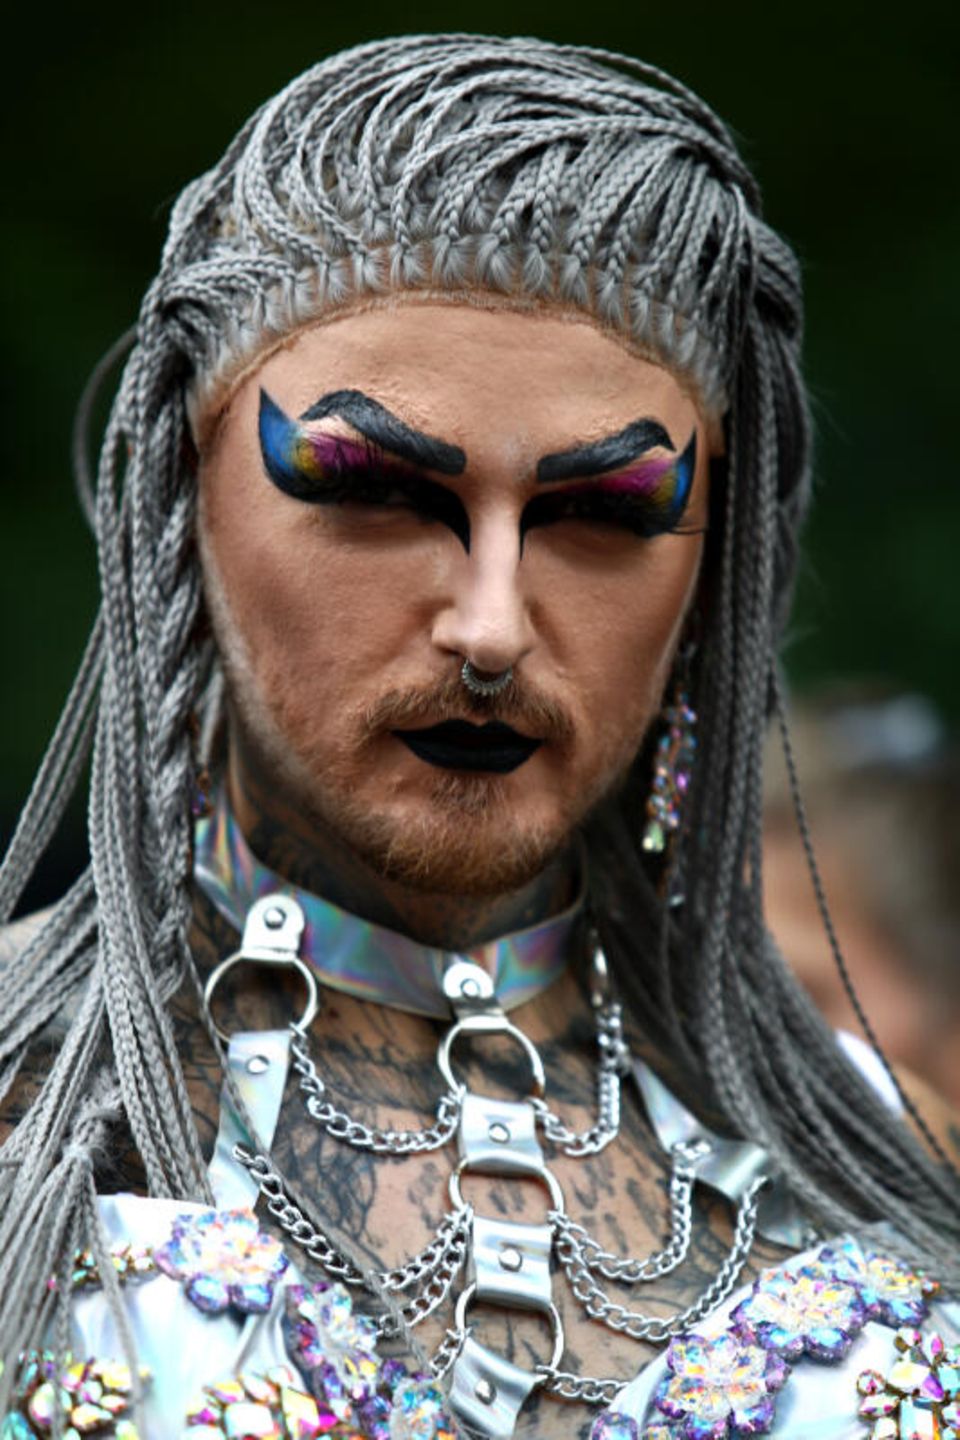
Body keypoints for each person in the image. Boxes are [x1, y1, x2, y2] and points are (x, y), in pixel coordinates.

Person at [0, 35, 957, 1440]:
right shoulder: (30, 1098)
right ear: (182, 499)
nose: (493, 625)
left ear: (716, 568)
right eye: (375, 488)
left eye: (602, 514)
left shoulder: (880, 1153)